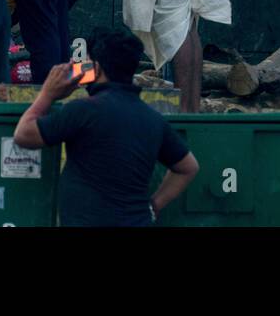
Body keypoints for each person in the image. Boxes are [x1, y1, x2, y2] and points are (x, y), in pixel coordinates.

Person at [13, 26, 199, 226]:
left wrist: (48, 94)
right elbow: (188, 167)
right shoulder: (153, 119)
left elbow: (24, 135)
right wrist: (153, 205)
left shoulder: (82, 111)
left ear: (96, 68)